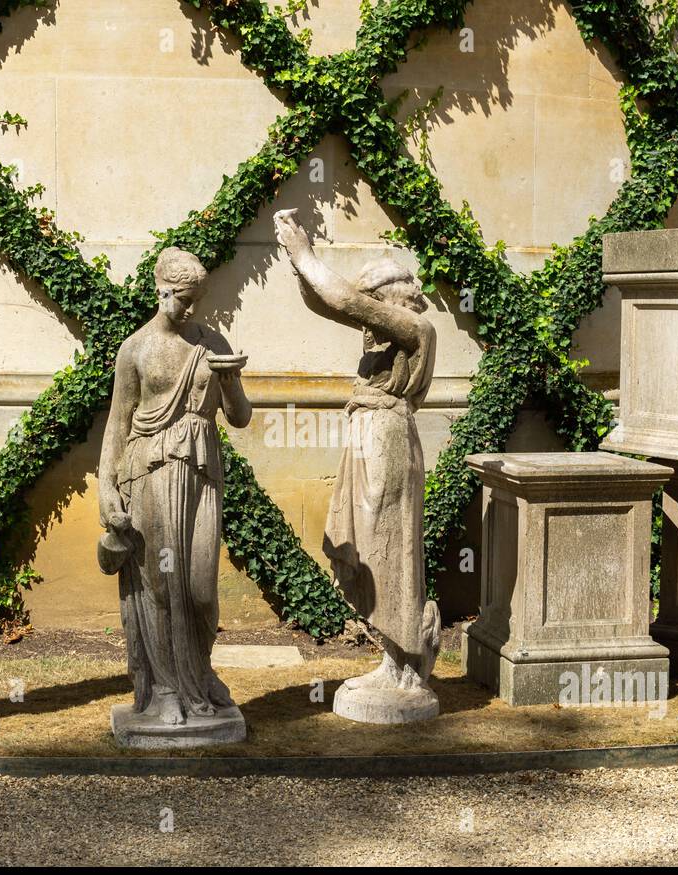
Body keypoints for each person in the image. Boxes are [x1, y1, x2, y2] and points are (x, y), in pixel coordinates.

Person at [274, 210, 442, 705]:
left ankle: (404, 665)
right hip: (370, 432)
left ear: (393, 296)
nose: (366, 315)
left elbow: (344, 299)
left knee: (386, 545)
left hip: (387, 436)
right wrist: (295, 261)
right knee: (373, 546)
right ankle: (394, 661)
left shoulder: (414, 326)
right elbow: (332, 305)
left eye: (375, 303)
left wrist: (307, 253)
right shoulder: (389, 328)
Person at [97, 248, 252, 727]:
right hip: (150, 471)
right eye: (183, 299)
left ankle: (200, 673)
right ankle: (164, 687)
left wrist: (228, 381)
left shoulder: (211, 342)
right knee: (160, 586)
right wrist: (107, 489)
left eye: (196, 300)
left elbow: (241, 416)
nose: (191, 310)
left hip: (202, 472)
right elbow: (117, 424)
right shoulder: (136, 349)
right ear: (162, 290)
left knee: (202, 587)